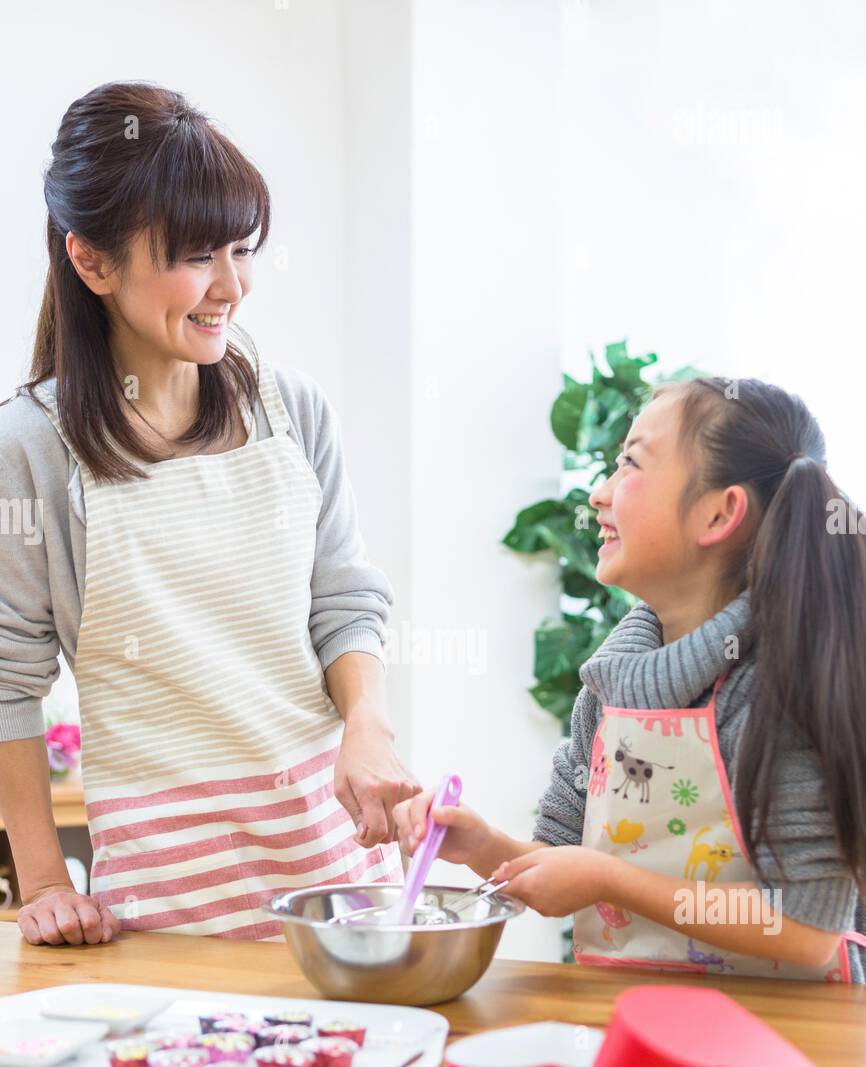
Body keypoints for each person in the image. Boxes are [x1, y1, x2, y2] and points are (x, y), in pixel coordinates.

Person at [0, 81, 418, 946]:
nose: (231, 284)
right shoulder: (30, 449)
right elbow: (8, 683)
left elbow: (344, 601)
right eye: (195, 255)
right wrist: (42, 880)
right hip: (170, 898)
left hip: (339, 871)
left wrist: (368, 733)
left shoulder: (291, 409)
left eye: (241, 248)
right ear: (92, 262)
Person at [395, 376, 866, 982]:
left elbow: (804, 929)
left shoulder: (780, 685)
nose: (598, 494)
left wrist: (609, 879)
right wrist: (485, 847)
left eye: (629, 465)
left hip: (791, 1048)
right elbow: (565, 859)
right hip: (642, 1032)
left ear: (720, 513)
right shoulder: (610, 683)